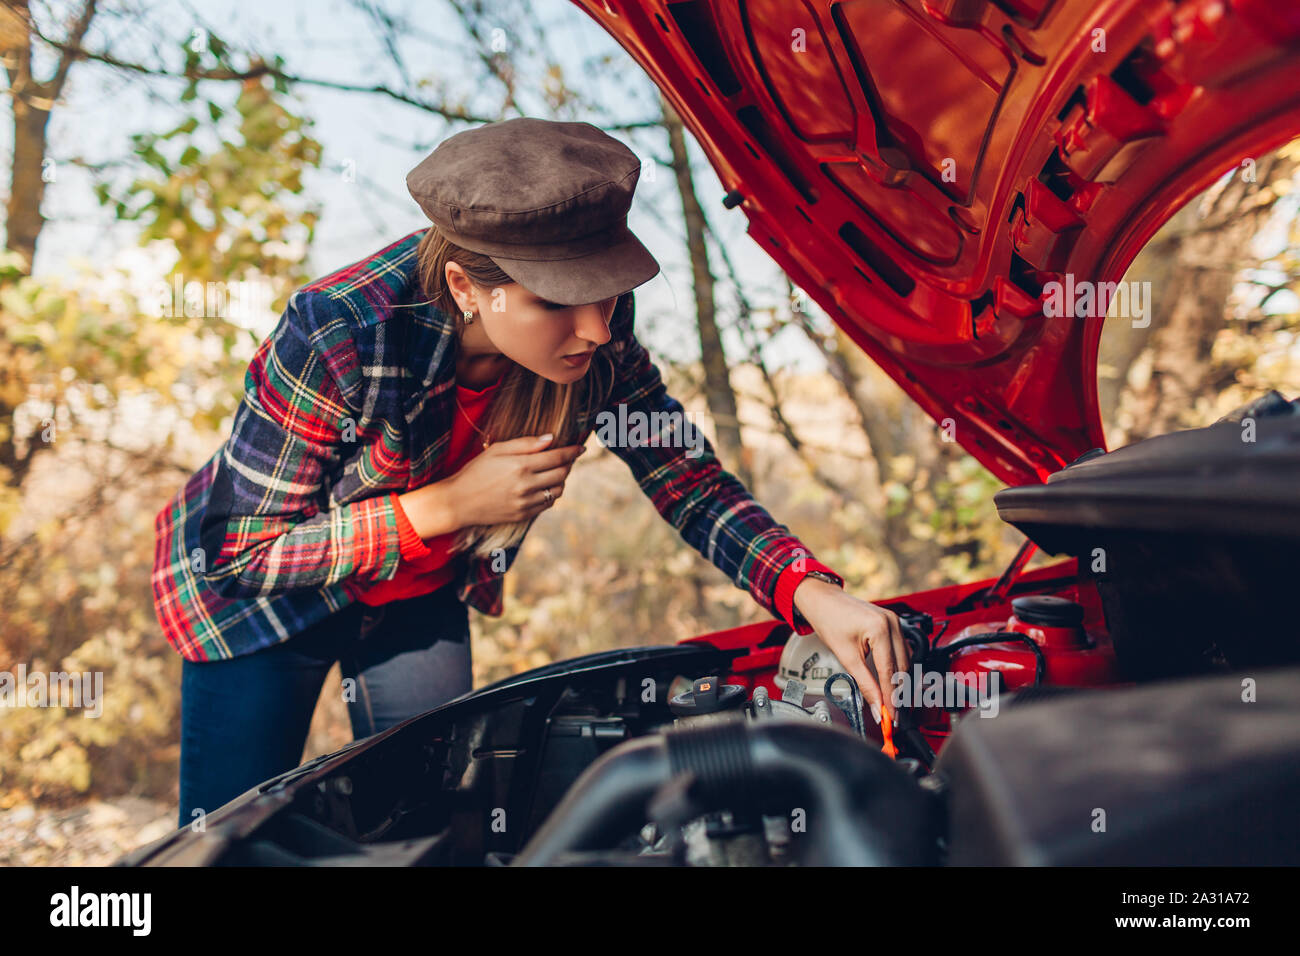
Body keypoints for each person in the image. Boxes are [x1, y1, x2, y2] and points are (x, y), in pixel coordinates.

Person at [152, 117, 910, 829]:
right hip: (262, 606)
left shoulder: (599, 334)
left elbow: (684, 476)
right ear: (465, 288)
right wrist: (444, 507)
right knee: (226, 834)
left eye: (607, 290)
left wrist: (810, 592)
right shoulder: (339, 330)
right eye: (559, 301)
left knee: (434, 828)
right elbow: (239, 553)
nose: (598, 329)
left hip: (417, 598)